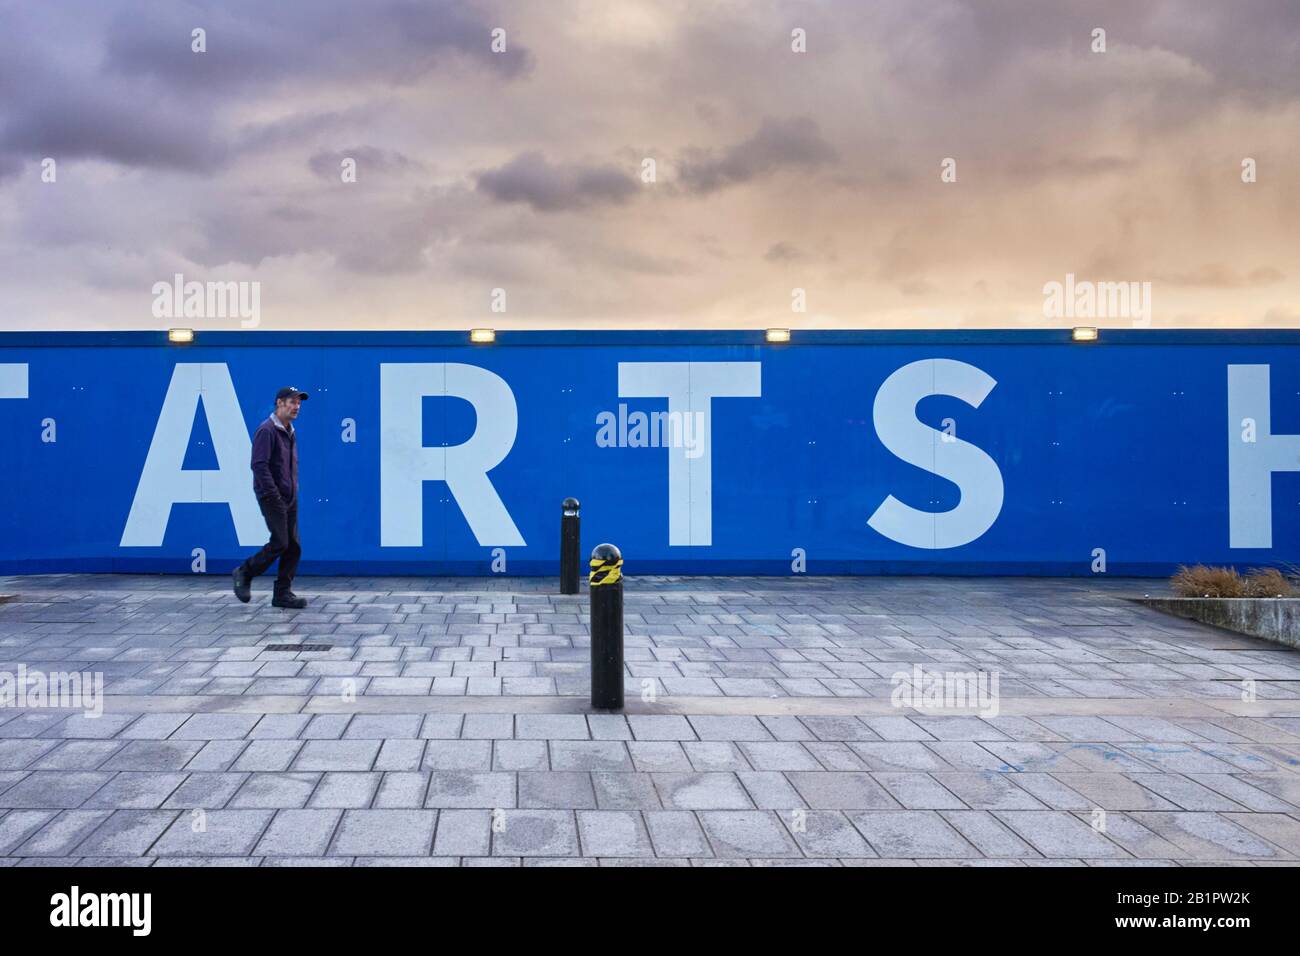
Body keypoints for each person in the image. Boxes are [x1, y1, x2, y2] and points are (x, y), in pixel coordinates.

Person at [232, 386, 308, 608]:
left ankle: (282, 594)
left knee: (293, 546)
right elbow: (259, 465)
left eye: (299, 403)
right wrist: (273, 494)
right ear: (279, 403)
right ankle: (244, 572)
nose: (296, 407)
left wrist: (293, 490)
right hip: (273, 497)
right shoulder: (267, 430)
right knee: (280, 543)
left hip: (290, 496)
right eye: (292, 402)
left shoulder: (289, 431)